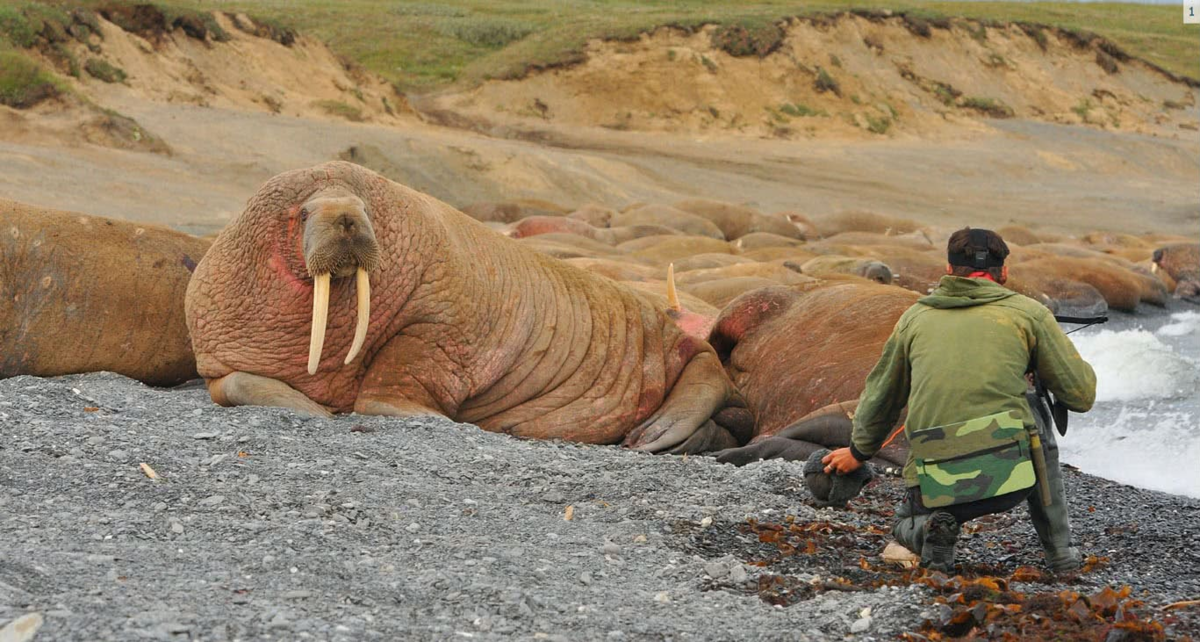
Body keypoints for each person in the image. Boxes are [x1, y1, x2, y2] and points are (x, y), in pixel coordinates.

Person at [821, 227, 1097, 573]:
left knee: (904, 526)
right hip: (1008, 480)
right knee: (1033, 413)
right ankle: (1061, 556)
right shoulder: (1030, 314)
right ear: (1004, 272)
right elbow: (1081, 395)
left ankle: (928, 528)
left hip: (935, 484)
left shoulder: (914, 319)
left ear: (949, 270)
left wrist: (858, 452)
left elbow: (881, 397)